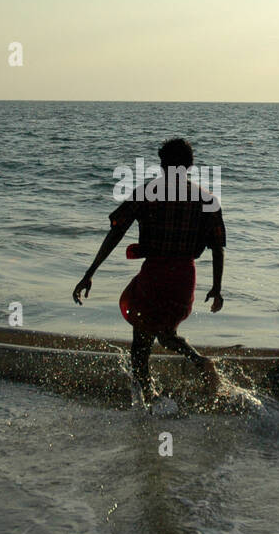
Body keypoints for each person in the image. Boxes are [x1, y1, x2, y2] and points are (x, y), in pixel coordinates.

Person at [73, 138, 225, 404]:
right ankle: (200, 364)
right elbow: (217, 247)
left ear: (163, 164)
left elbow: (116, 232)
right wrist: (216, 288)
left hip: (155, 275)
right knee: (166, 334)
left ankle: (148, 400)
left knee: (141, 344)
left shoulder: (147, 193)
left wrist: (90, 272)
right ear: (190, 165)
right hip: (183, 277)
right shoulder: (206, 199)